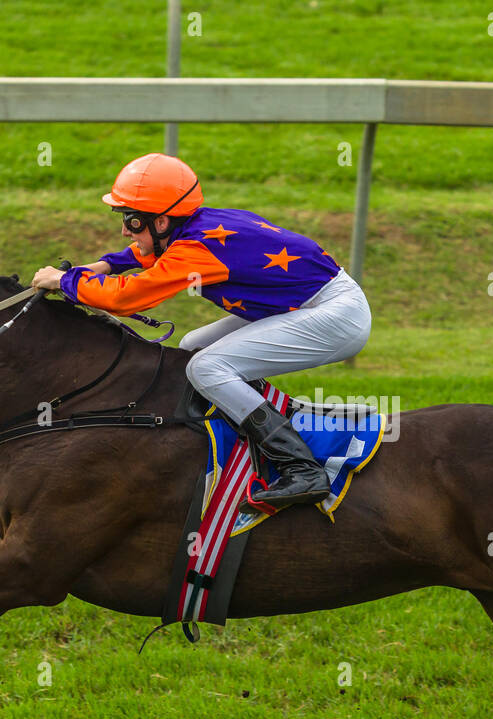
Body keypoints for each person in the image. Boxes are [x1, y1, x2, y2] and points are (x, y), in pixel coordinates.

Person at [31, 153, 371, 511]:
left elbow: (128, 298)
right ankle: (243, 433)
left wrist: (67, 280)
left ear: (163, 221)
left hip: (334, 314)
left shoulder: (198, 248)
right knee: (194, 347)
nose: (125, 231)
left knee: (206, 367)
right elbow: (146, 253)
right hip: (306, 302)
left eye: (131, 221)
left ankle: (302, 469)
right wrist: (104, 264)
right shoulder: (198, 223)